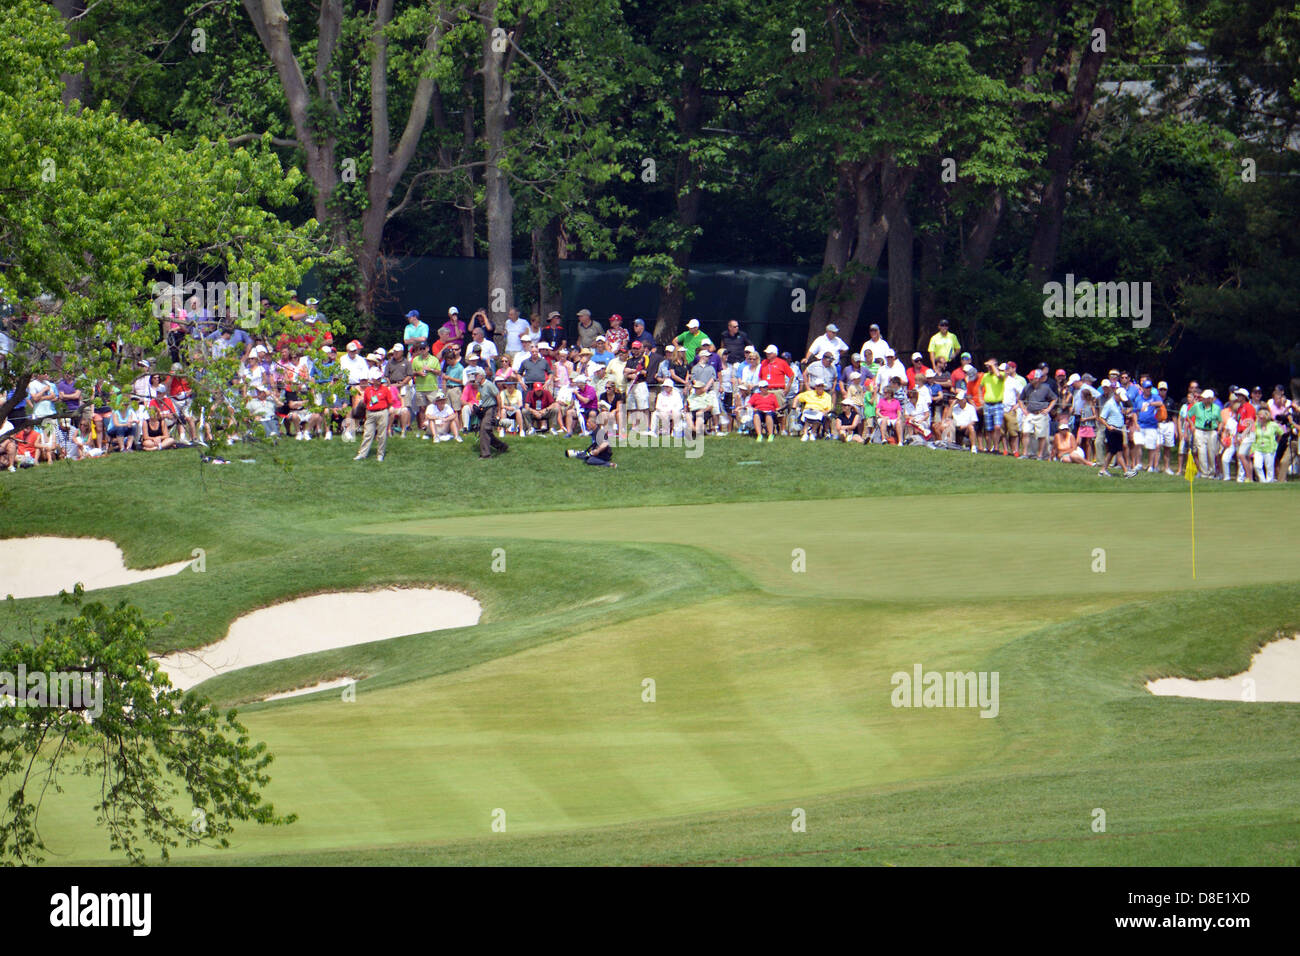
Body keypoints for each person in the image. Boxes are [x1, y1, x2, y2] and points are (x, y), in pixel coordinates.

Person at [353, 372, 392, 462]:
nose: (378, 381)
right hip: (370, 413)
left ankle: (380, 454)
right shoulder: (368, 390)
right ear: (372, 380)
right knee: (368, 434)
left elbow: (390, 402)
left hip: (382, 412)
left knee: (381, 434)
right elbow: (366, 401)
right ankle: (362, 454)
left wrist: (384, 409)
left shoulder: (385, 389)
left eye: (379, 379)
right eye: (376, 379)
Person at [472, 367, 509, 458]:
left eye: (476, 375)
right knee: (485, 431)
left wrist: (499, 412)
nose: (475, 377)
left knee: (484, 429)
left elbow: (498, 397)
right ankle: (501, 446)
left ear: (481, 375)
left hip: (490, 409)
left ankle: (486, 454)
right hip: (483, 409)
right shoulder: (480, 386)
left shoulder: (489, 385)